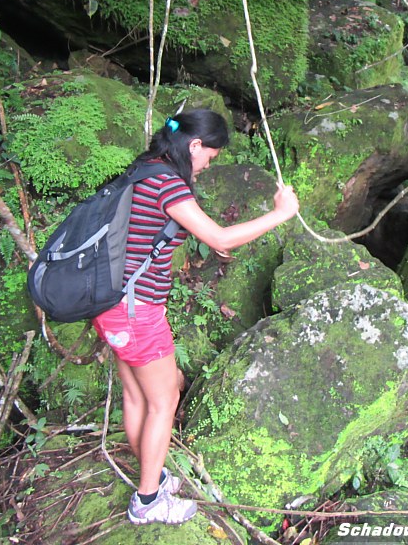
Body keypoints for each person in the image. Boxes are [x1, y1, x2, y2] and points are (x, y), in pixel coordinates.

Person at [91, 108, 299, 525]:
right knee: (164, 399)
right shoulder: (169, 182)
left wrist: (211, 240)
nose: (207, 164)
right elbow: (218, 235)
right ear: (195, 145)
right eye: (210, 156)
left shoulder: (145, 168)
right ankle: (148, 501)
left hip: (110, 305)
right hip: (136, 313)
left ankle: (152, 475)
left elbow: (150, 231)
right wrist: (281, 214)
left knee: (138, 397)